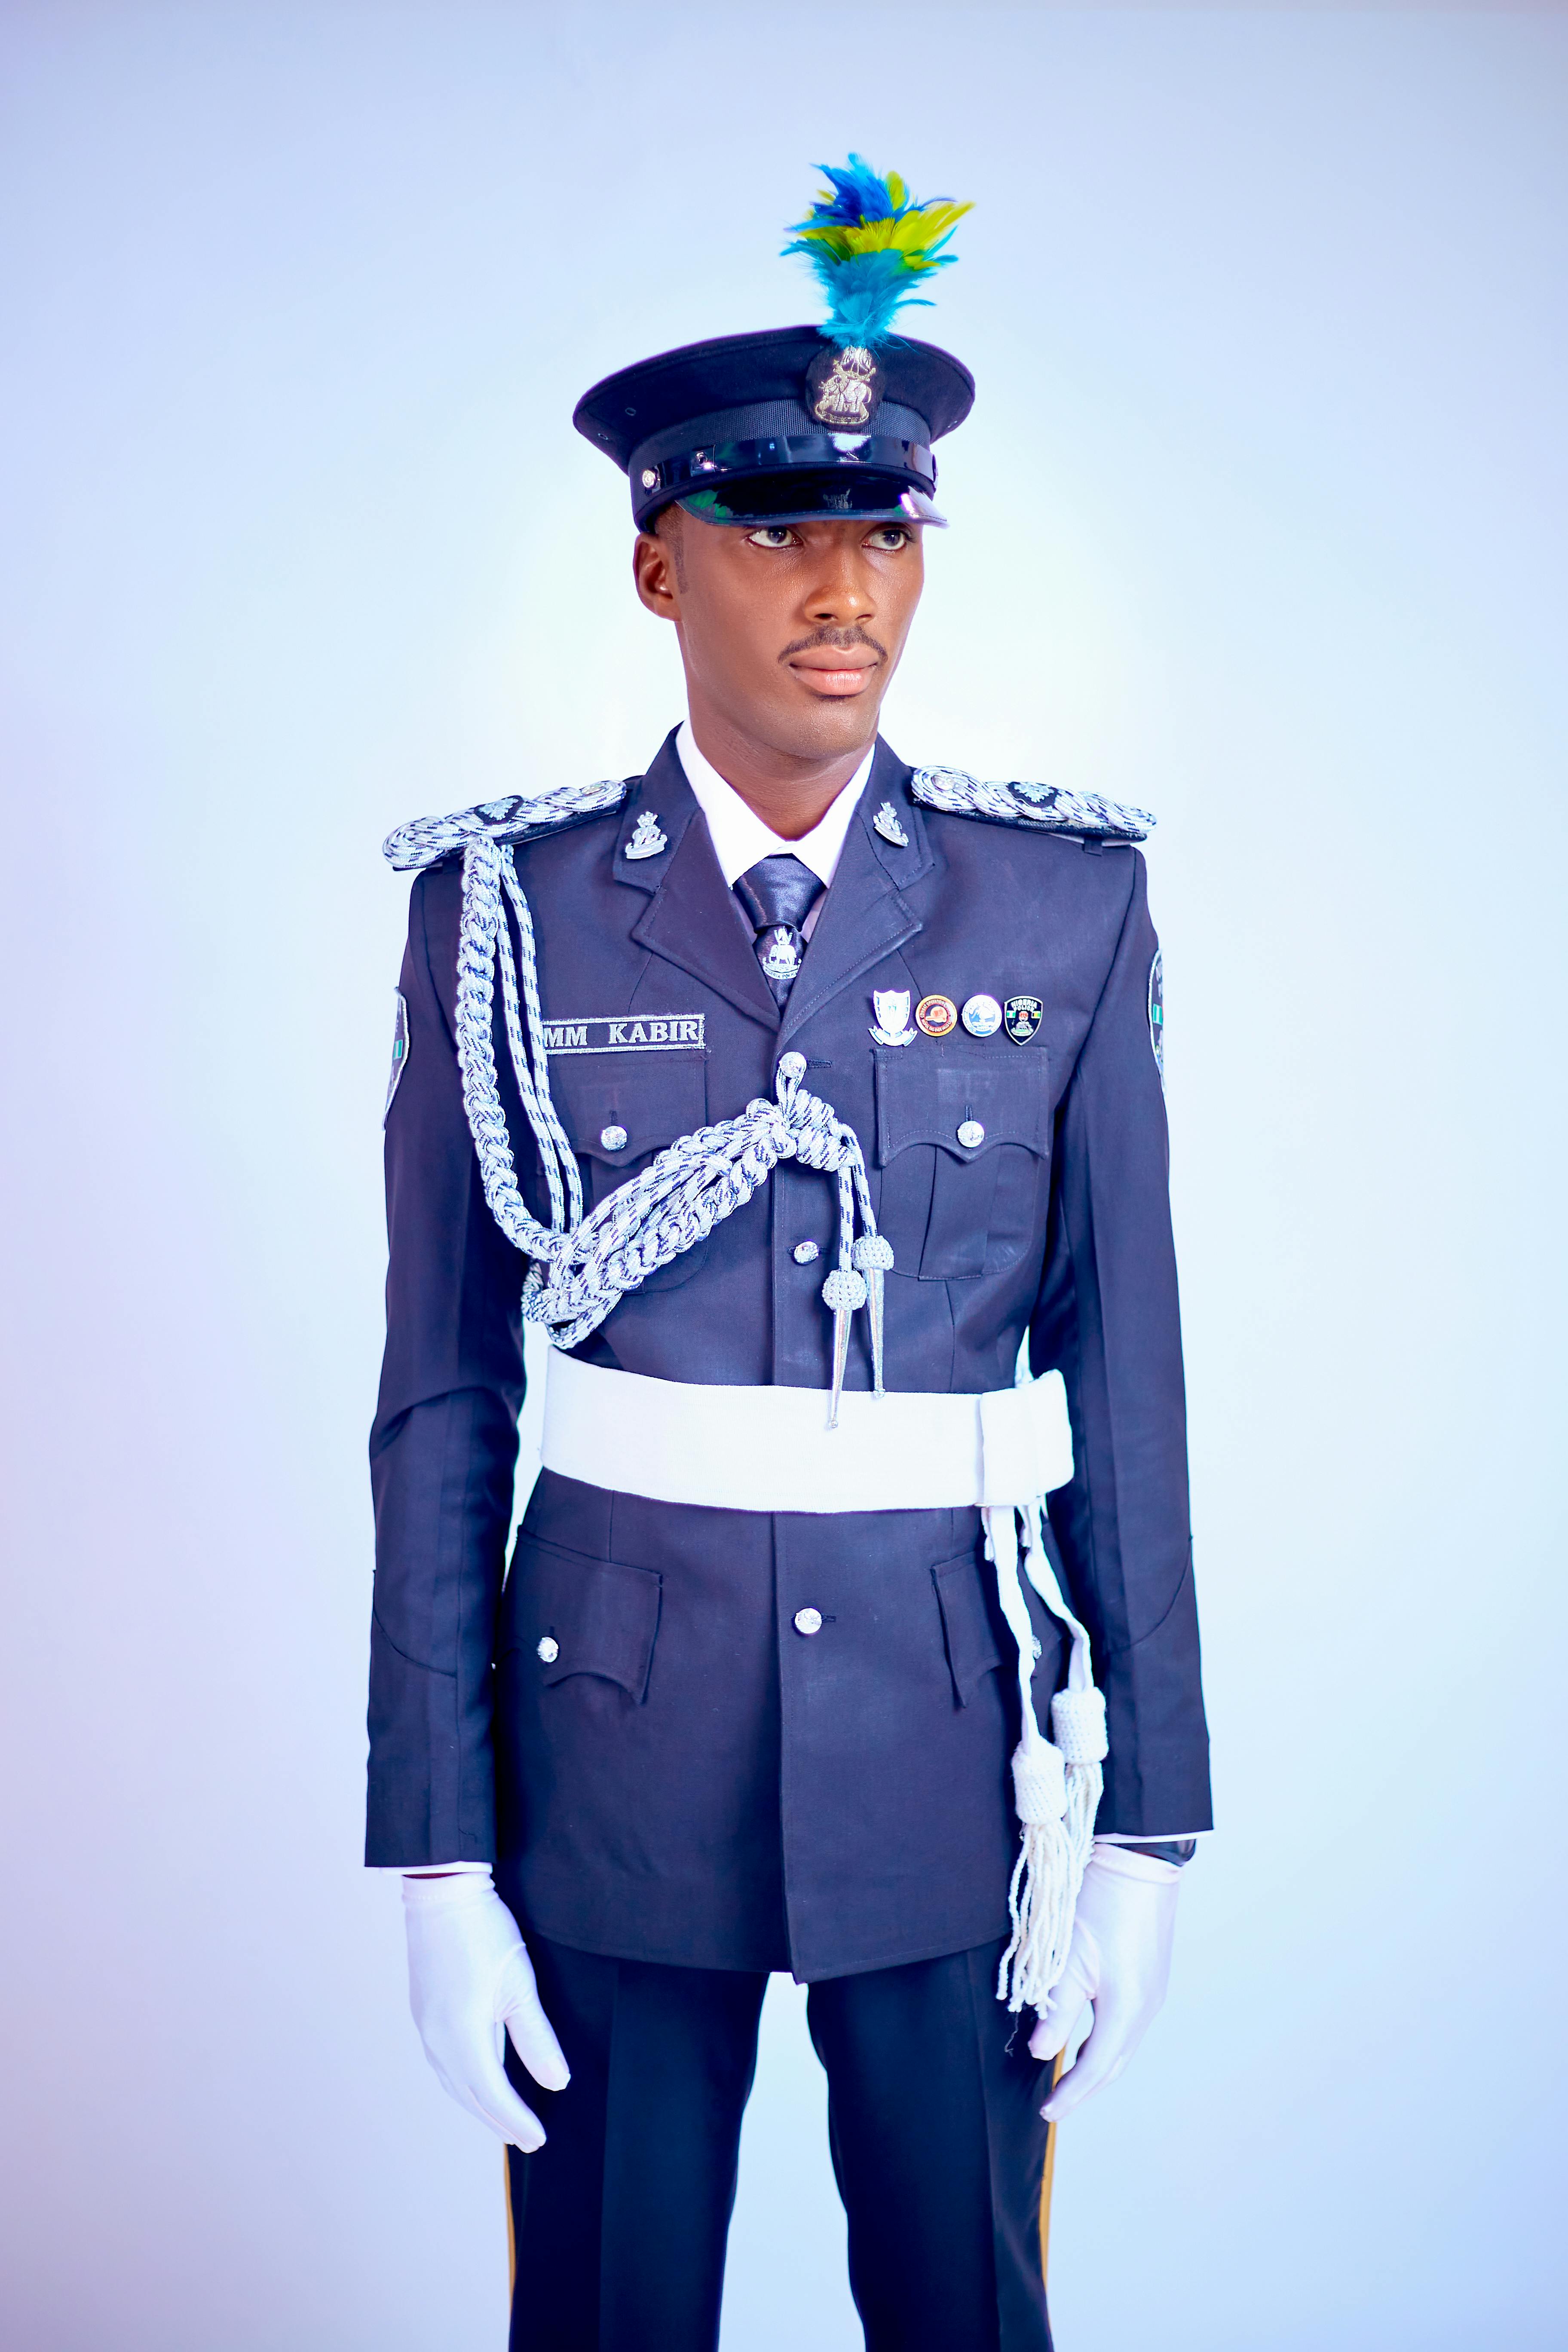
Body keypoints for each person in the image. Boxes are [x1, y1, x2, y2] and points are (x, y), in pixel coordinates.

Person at [368, 156, 1210, 2352]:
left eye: (883, 533)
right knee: (614, 2320)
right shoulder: (508, 917)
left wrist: (1157, 1825)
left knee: (968, 2312)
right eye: (777, 533)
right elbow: (444, 1399)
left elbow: (1129, 1382)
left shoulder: (1057, 911)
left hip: (955, 1749)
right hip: (612, 1754)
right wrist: (435, 1853)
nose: (845, 587)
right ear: (658, 565)